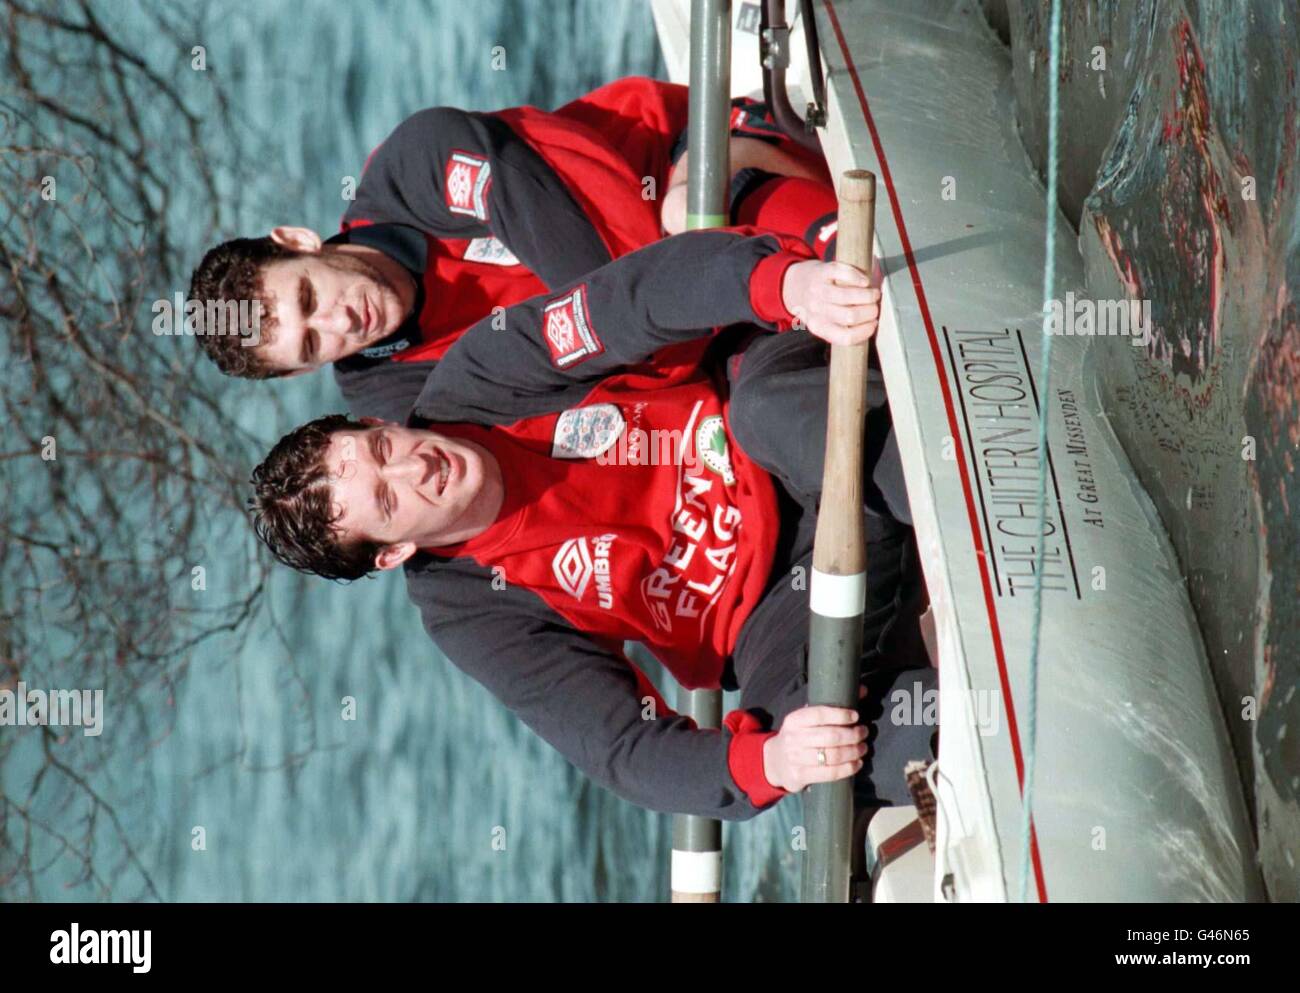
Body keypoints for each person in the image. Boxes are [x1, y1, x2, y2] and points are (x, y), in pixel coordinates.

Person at [247, 228, 931, 821]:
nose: (417, 468)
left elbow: (636, 297)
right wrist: (771, 760)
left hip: (764, 429)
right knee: (828, 755)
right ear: (393, 551)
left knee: (769, 412)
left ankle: (972, 483)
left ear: (375, 421)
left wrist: (784, 282)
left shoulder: (483, 372)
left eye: (382, 450)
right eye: (389, 501)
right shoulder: (469, 614)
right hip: (768, 610)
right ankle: (999, 725)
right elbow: (620, 750)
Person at [186, 79, 844, 423]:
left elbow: (610, 262)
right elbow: (579, 424)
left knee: (685, 219)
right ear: (307, 373)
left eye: (307, 296)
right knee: (762, 413)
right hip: (703, 349)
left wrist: (649, 332)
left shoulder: (414, 166)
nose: (337, 322)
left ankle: (858, 255)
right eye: (311, 343)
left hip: (684, 163)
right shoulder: (394, 398)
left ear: (297, 241)